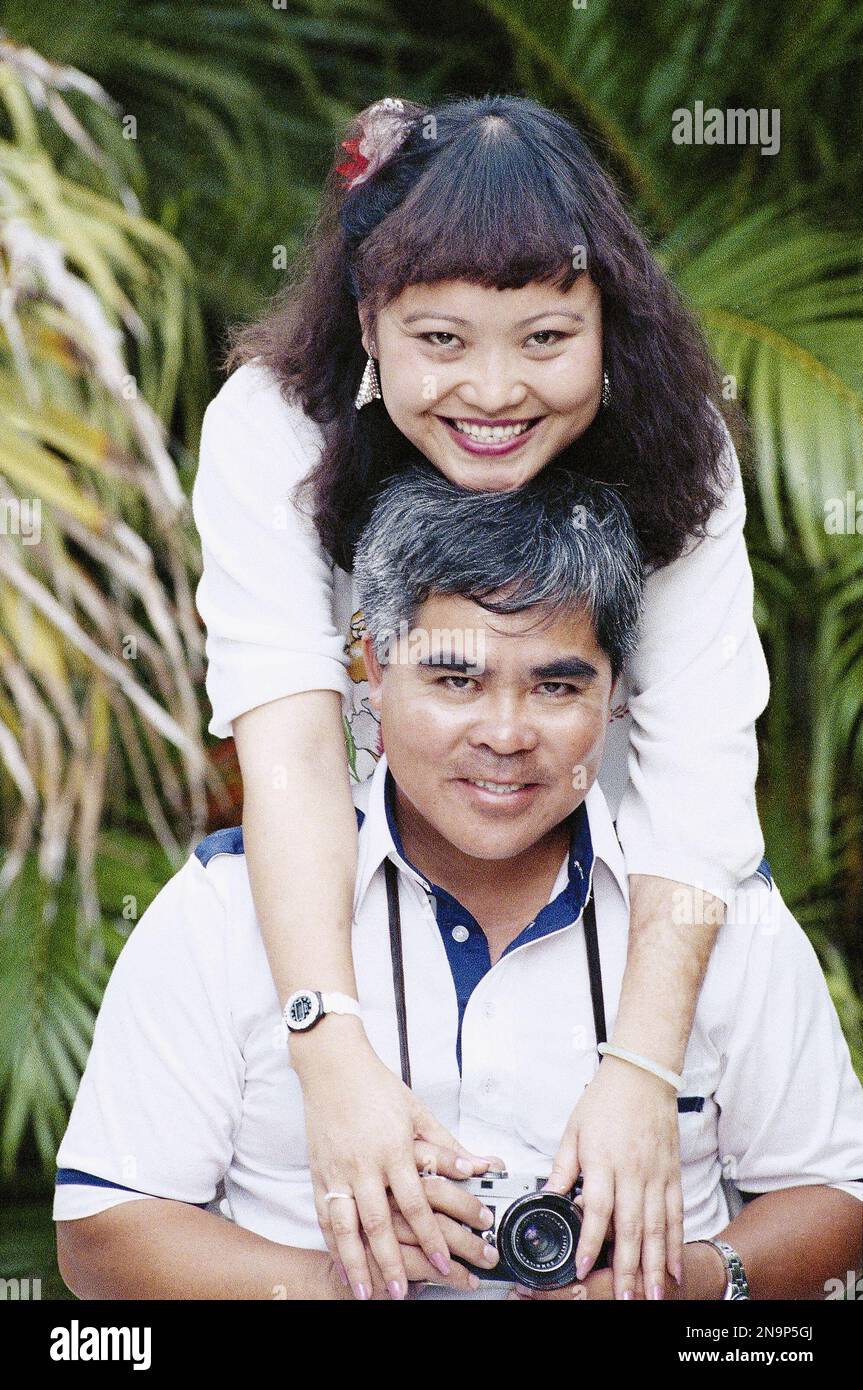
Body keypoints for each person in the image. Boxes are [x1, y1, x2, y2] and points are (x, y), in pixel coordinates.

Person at [191, 92, 772, 1300]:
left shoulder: (682, 450)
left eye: (545, 339)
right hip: (350, 890)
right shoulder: (269, 428)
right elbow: (292, 749)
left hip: (616, 907)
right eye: (441, 341)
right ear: (368, 322)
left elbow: (698, 769)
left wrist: (639, 1070)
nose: (494, 391)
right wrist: (328, 1043)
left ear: (605, 323)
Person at [54, 469, 863, 1301]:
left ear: (617, 691)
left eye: (556, 686)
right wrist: (337, 1285)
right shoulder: (224, 906)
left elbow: (836, 1196)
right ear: (372, 668)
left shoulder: (715, 908)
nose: (505, 735)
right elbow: (101, 1233)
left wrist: (687, 1280)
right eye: (454, 681)